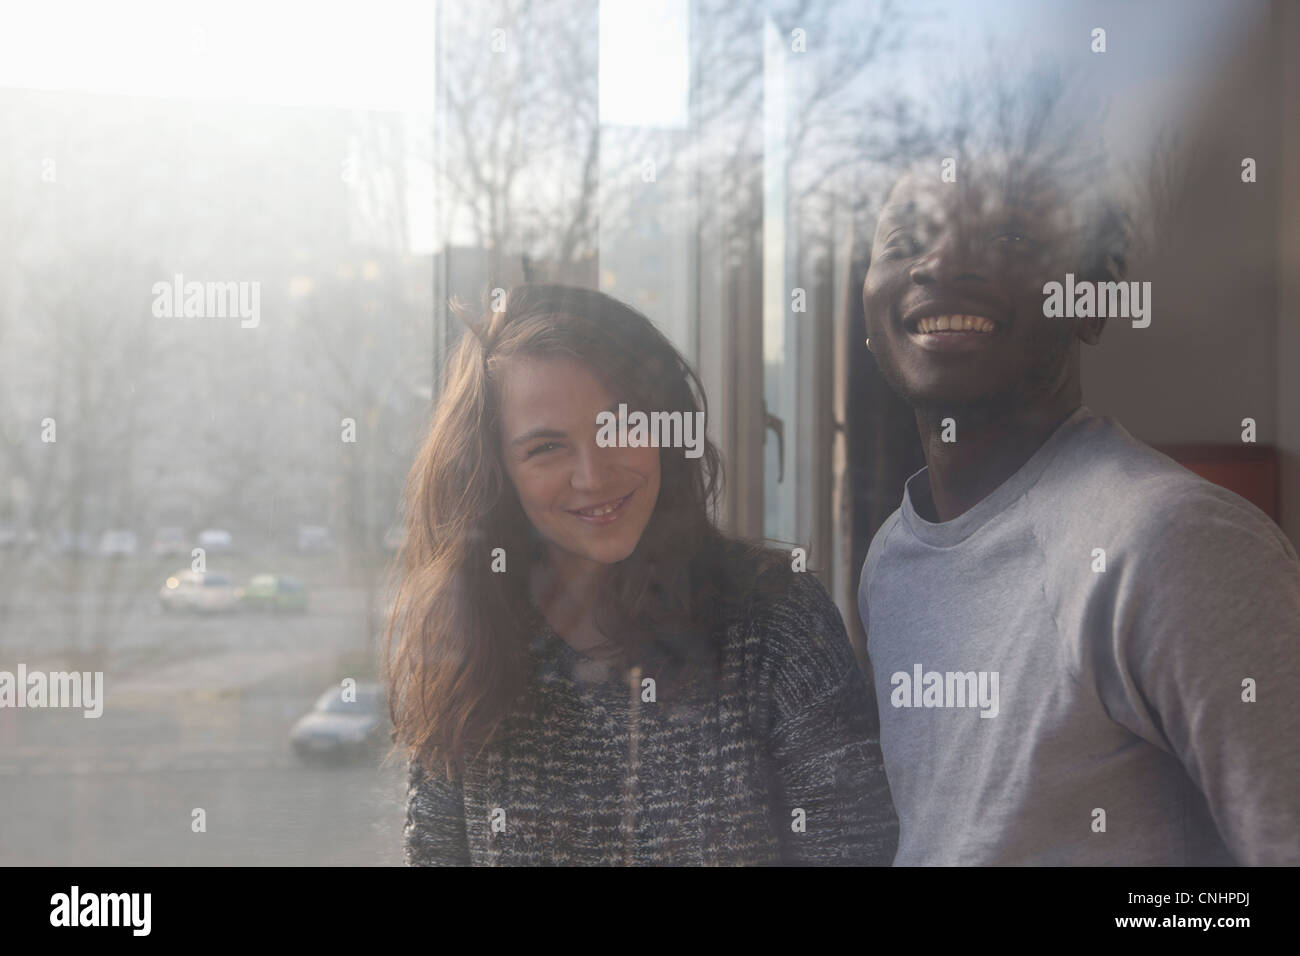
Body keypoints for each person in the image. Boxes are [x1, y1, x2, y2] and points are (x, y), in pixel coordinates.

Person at [858, 154, 1300, 865]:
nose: (941, 263)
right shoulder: (892, 557)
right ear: (868, 310)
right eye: (906, 240)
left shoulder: (1173, 543)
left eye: (1007, 239)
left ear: (1089, 304)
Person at [387, 283, 897, 865]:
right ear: (496, 471)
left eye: (618, 427)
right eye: (547, 447)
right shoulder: (469, 637)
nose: (593, 474)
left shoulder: (778, 619)